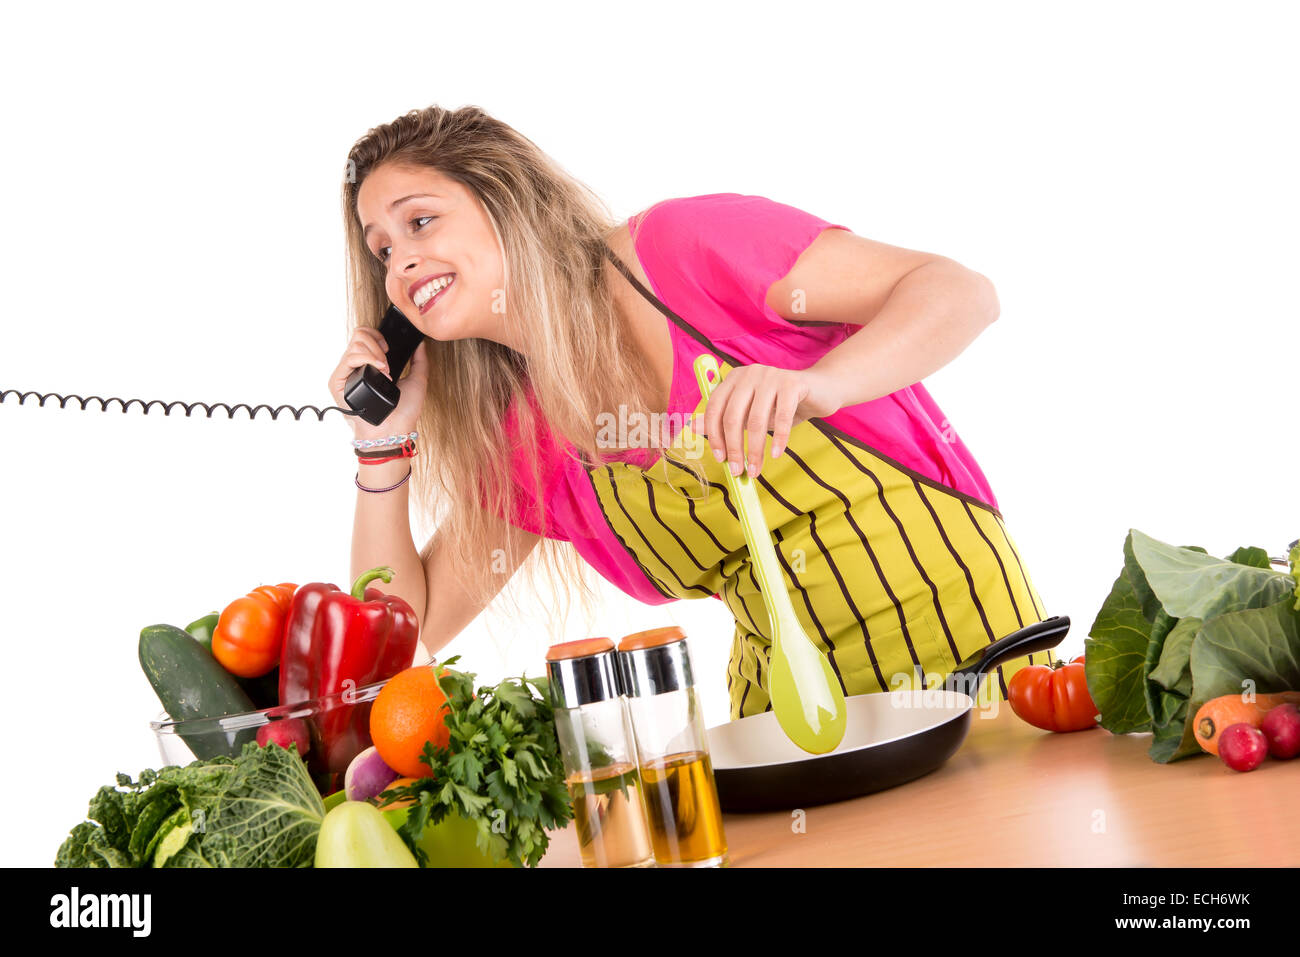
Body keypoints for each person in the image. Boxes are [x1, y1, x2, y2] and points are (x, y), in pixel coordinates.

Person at [328, 104, 1050, 721]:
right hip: (791, 716)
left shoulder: (680, 252)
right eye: (383, 251)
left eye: (420, 222)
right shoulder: (526, 440)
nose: (400, 265)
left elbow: (958, 291)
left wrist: (822, 385)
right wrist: (381, 447)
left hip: (963, 653)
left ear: (505, 199)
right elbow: (406, 631)